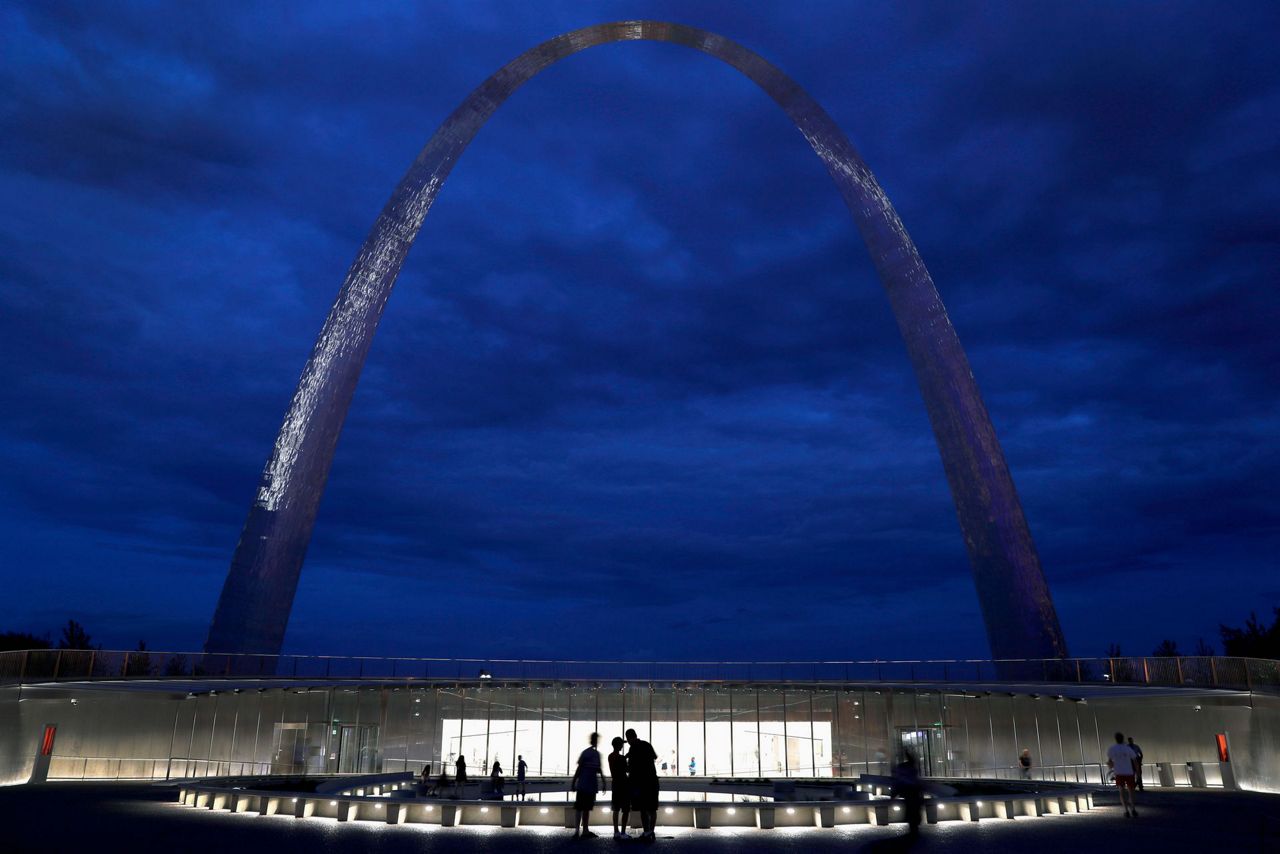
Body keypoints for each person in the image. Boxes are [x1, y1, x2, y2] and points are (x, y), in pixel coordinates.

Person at [570, 732, 606, 839]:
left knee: (579, 808)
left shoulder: (585, 753)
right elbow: (599, 770)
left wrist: (573, 782)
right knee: (586, 808)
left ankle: (577, 831)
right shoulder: (597, 755)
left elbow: (579, 769)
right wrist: (603, 782)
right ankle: (585, 830)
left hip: (583, 785)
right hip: (590, 785)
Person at [626, 728, 659, 840]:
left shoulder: (632, 748)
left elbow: (630, 768)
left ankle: (646, 832)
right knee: (652, 808)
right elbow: (655, 757)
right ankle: (651, 832)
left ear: (629, 738)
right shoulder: (646, 744)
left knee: (643, 808)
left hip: (640, 783)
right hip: (652, 780)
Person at [891, 750, 924, 836]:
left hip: (909, 791)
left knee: (911, 809)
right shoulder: (911, 768)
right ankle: (914, 827)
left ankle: (913, 827)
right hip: (914, 791)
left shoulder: (902, 769)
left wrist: (893, 795)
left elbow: (898, 782)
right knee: (914, 809)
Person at [1107, 732, 1140, 817]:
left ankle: (1126, 810)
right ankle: (1133, 809)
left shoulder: (1112, 749)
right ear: (1123, 738)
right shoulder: (1127, 749)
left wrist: (1112, 768)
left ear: (1116, 739)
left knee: (1121, 792)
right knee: (1131, 792)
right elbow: (1135, 761)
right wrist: (1138, 773)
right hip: (1129, 772)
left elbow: (1110, 762)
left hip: (1119, 773)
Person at [608, 736, 632, 840]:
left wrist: (625, 757)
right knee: (625, 809)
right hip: (624, 785)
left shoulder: (610, 756)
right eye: (621, 744)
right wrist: (627, 757)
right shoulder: (621, 758)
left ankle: (616, 832)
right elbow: (627, 769)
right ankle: (622, 832)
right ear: (618, 745)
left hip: (615, 784)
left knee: (616, 809)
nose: (622, 745)